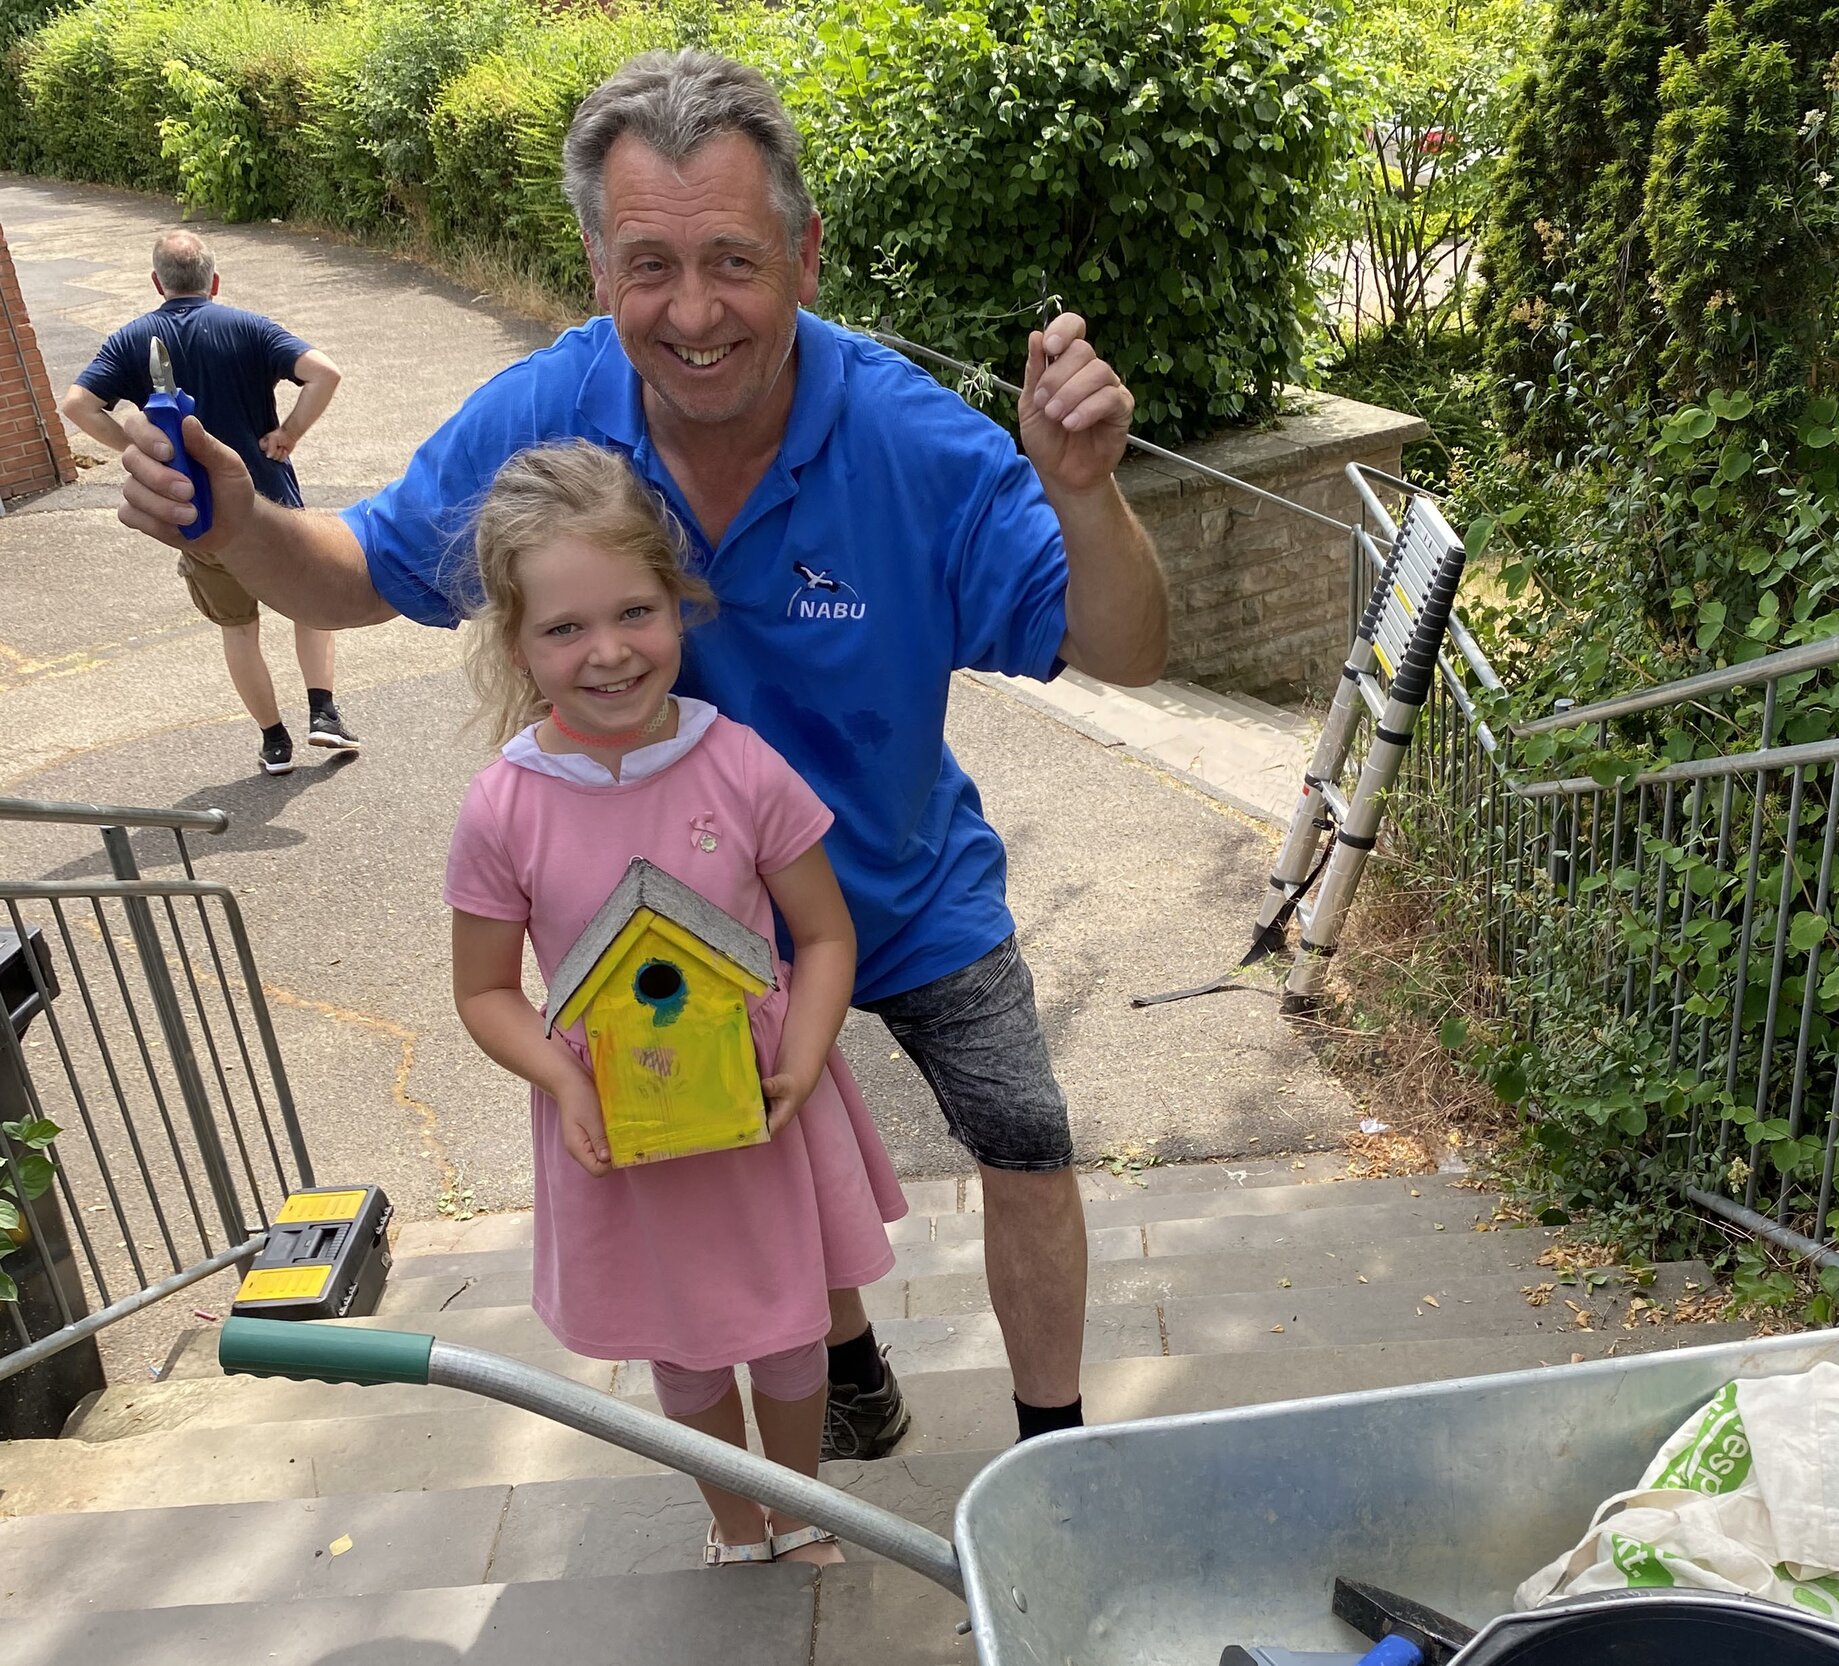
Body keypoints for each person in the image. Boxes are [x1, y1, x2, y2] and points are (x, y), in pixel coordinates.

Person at [112, 51, 1170, 1455]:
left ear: (805, 254)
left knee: (1026, 1138)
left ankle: (1057, 1451)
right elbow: (361, 574)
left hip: (901, 881)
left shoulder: (914, 440)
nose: (693, 311)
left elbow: (1124, 645)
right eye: (649, 265)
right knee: (743, 1142)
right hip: (681, 916)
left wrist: (1085, 494)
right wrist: (238, 521)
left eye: (733, 259)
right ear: (597, 264)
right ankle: (845, 1363)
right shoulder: (543, 415)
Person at [447, 439, 905, 1564]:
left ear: (677, 604)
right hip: (619, 1124)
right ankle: (735, 1521)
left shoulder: (738, 764)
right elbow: (484, 989)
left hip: (761, 1108)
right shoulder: (504, 807)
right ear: (516, 643)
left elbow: (824, 934)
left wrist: (804, 1056)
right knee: (685, 1349)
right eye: (564, 628)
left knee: (790, 1334)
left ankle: (798, 1509)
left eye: (634, 613)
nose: (608, 652)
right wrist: (563, 1079)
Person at [63, 230, 357, 776]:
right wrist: (288, 433)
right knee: (311, 602)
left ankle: (275, 743)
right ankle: (324, 713)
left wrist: (138, 448)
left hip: (196, 512)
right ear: (214, 281)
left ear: (158, 284)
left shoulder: (131, 340)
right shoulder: (249, 327)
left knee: (238, 628)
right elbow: (325, 373)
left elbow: (77, 404)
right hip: (272, 500)